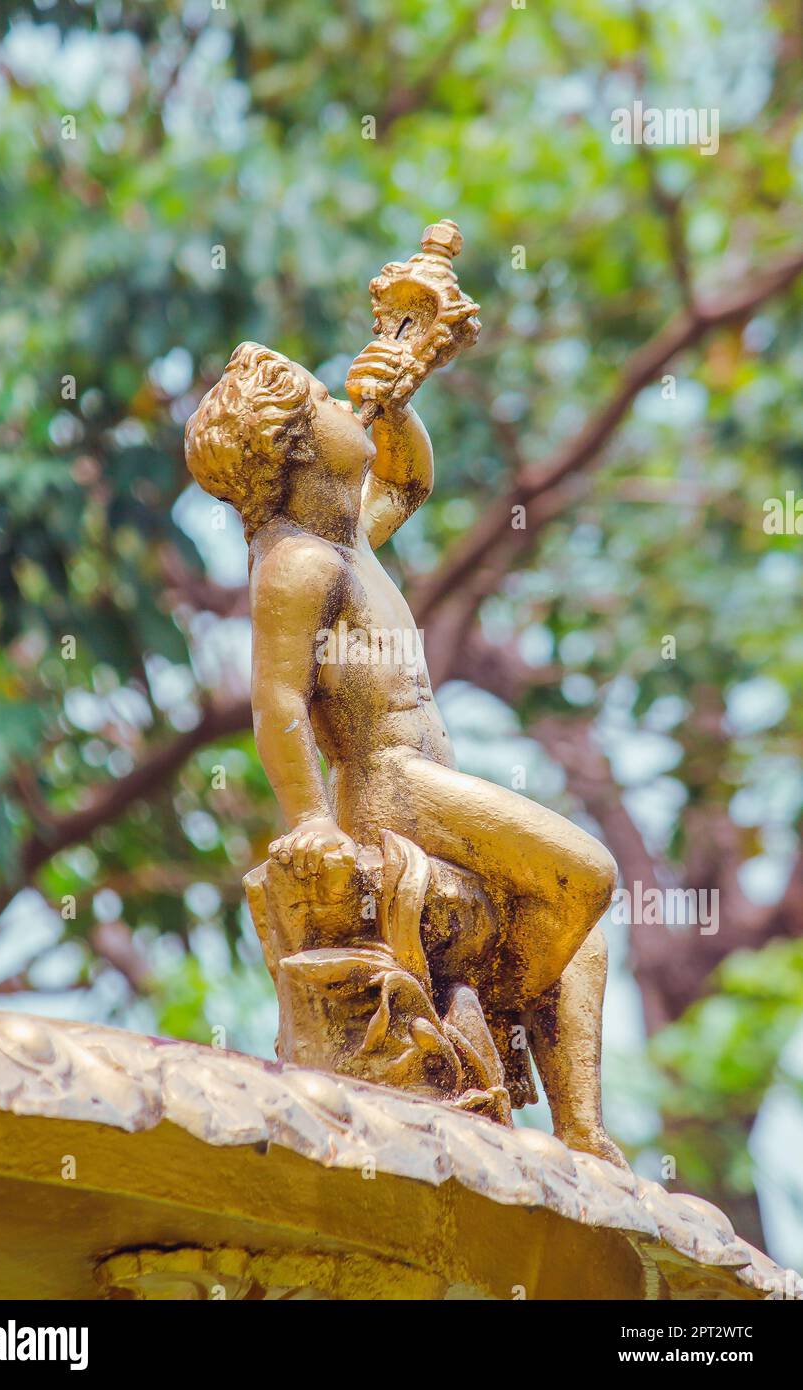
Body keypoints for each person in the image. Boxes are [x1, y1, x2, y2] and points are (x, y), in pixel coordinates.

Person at [185, 337, 625, 1165]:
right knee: (589, 876)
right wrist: (310, 819)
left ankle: (580, 1135)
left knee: (586, 939)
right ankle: (496, 1000)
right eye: (326, 401)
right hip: (386, 786)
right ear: (296, 447)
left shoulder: (349, 537)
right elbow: (276, 699)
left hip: (431, 781)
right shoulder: (299, 564)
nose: (342, 406)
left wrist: (396, 412)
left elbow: (408, 482)